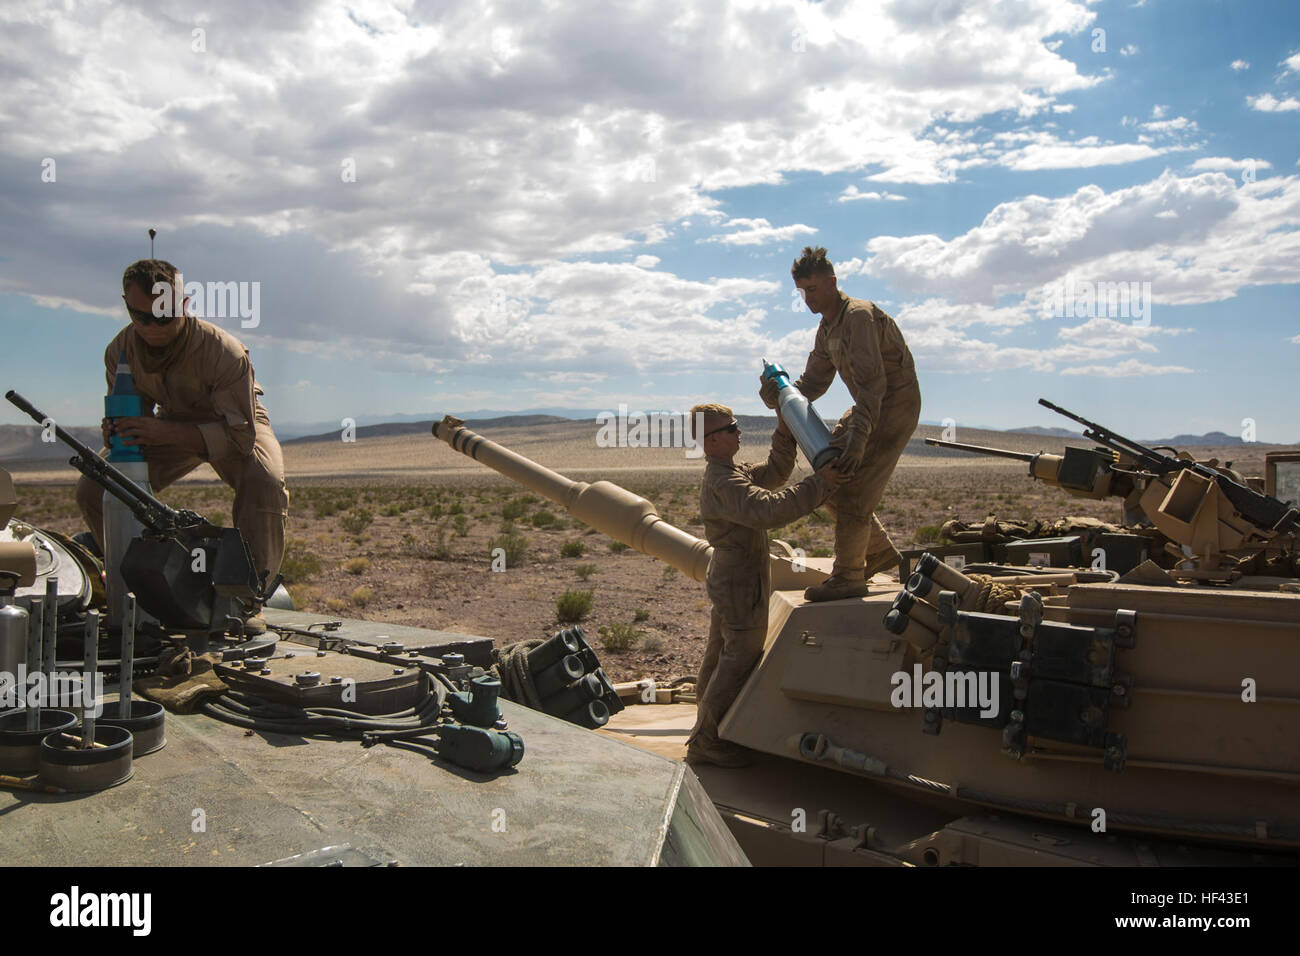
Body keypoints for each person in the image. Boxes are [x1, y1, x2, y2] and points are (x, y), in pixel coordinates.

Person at [74, 259, 288, 633]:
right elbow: (133, 419)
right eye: (142, 317)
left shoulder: (225, 351)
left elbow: (240, 437)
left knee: (265, 482)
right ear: (127, 305)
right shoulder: (119, 351)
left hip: (236, 423)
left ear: (185, 304)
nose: (154, 327)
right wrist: (118, 431)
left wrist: (162, 432)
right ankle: (134, 585)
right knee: (97, 487)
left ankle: (247, 600)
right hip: (167, 424)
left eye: (165, 316)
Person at [685, 403, 844, 767]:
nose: (739, 432)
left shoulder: (731, 474)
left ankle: (708, 728)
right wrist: (822, 483)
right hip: (740, 581)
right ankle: (707, 740)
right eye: (731, 428)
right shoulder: (724, 482)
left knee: (719, 655)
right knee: (738, 656)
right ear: (710, 441)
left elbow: (774, 473)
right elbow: (771, 509)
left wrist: (785, 431)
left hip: (736, 577)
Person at [760, 246, 921, 602]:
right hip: (869, 407)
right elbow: (813, 384)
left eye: (813, 289)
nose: (807, 299)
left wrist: (858, 440)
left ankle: (849, 576)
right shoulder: (828, 327)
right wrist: (777, 395)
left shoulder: (859, 317)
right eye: (802, 292)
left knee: (852, 488)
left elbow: (873, 386)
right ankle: (875, 553)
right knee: (829, 474)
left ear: (832, 282)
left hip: (892, 407)